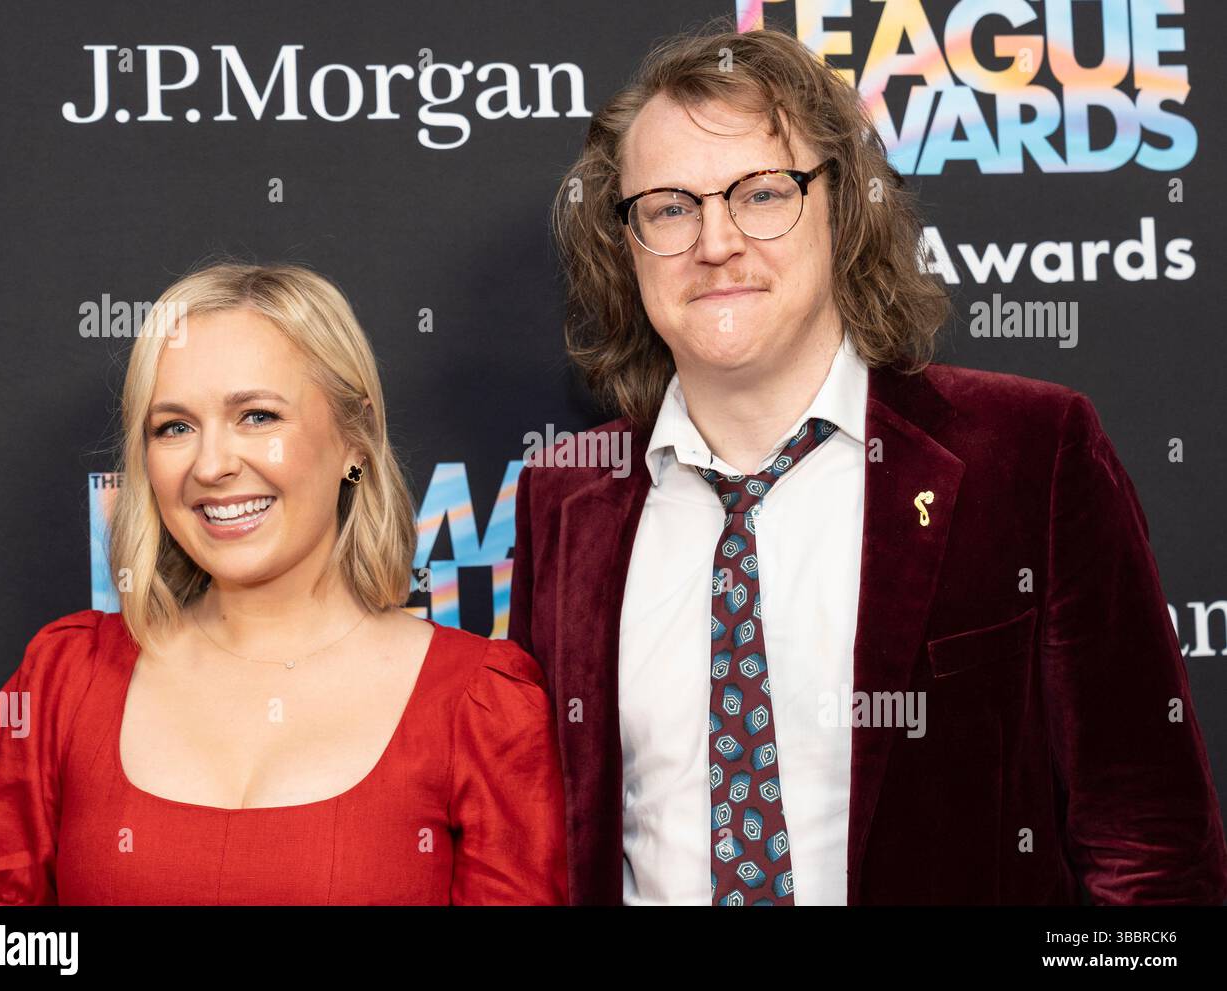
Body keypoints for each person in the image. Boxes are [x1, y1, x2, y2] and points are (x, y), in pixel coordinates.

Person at [507, 23, 1227, 905]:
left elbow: (1150, 851)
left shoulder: (1029, 454)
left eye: (763, 194)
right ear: (626, 243)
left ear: (844, 208)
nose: (716, 241)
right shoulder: (565, 496)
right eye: (669, 206)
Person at [0, 261, 568, 905]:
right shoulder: (62, 682)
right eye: (175, 427)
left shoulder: (481, 705)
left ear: (354, 440)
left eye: (257, 416)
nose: (213, 465)